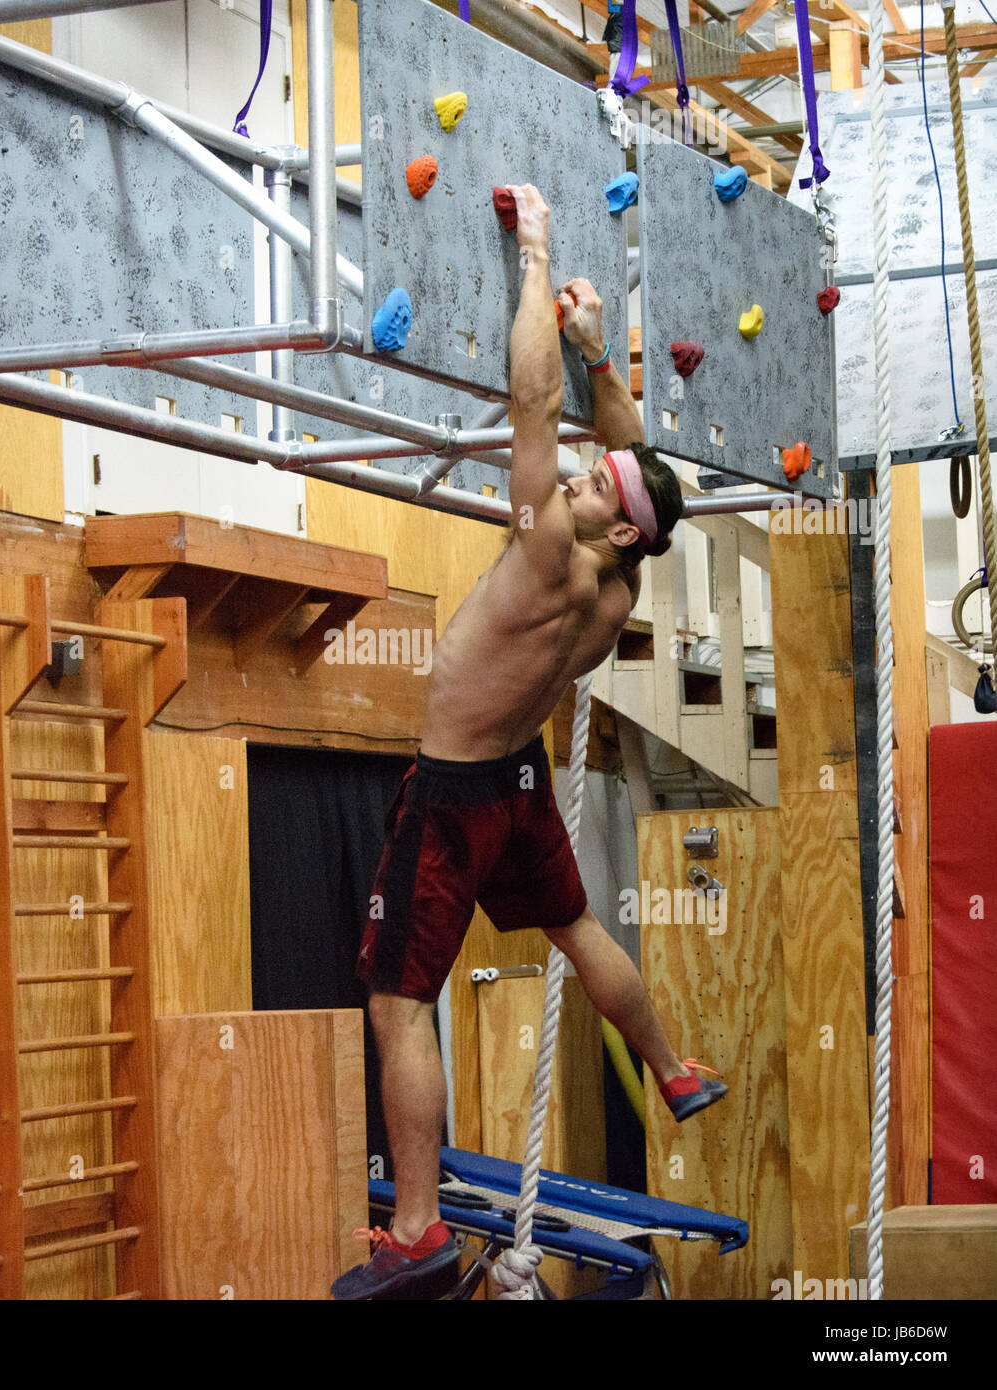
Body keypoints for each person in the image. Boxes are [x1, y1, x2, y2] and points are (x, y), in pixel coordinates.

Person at [331, 186, 726, 1302]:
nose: (587, 471)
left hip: (455, 791)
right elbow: (637, 466)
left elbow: (528, 398)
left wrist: (537, 258)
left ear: (598, 520)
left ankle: (414, 1232)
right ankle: (672, 1066)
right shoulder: (612, 585)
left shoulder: (550, 536)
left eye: (595, 484)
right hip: (519, 782)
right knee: (569, 923)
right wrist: (610, 357)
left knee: (396, 999)